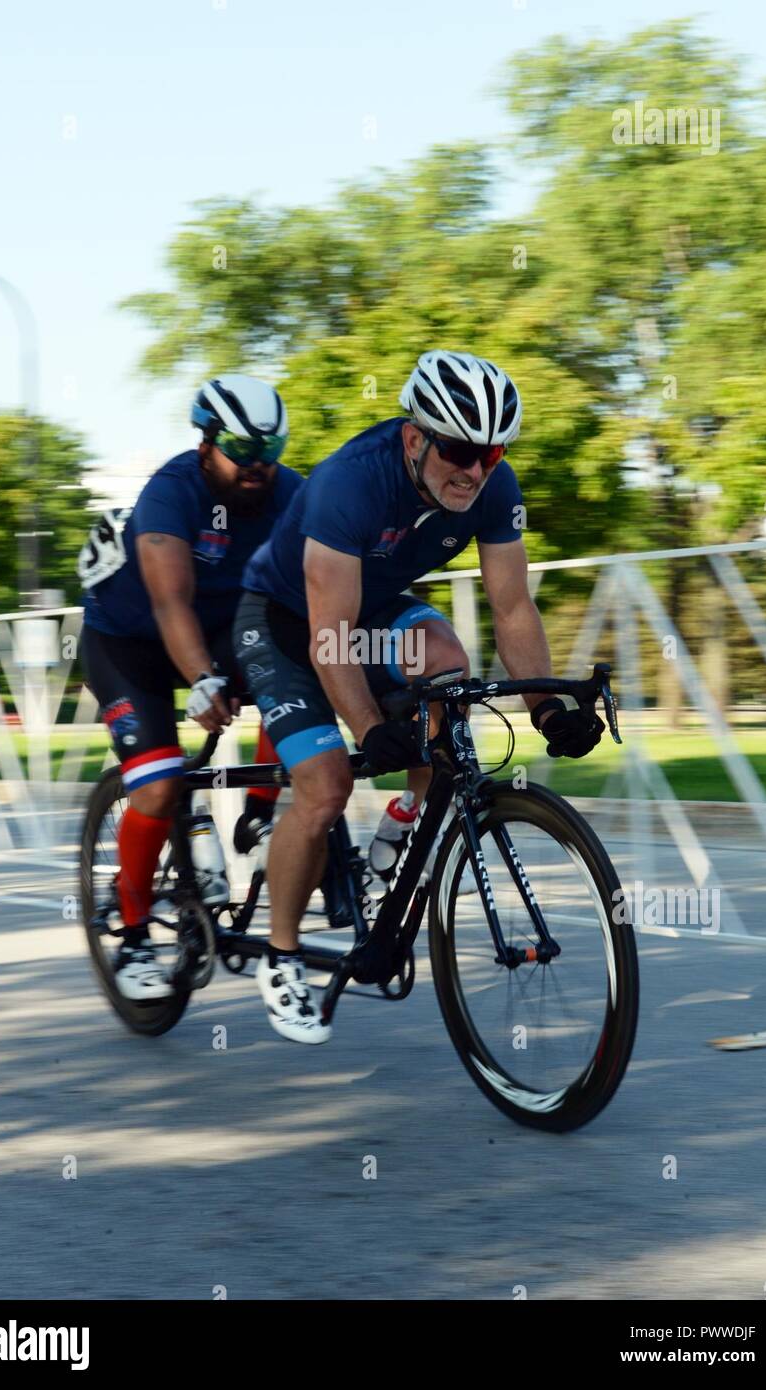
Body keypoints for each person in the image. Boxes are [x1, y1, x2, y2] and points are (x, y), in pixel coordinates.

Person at [234, 349, 604, 1044]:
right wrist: (371, 729)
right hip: (286, 624)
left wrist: (547, 710)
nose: (475, 469)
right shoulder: (350, 484)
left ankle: (402, 821)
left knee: (448, 672)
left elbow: (514, 608)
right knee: (324, 784)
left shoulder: (492, 485)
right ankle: (281, 958)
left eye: (491, 453)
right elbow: (328, 638)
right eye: (460, 450)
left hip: (369, 612)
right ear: (415, 438)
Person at [80, 374, 303, 1000]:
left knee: (300, 676)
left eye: (273, 447)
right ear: (205, 439)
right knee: (157, 786)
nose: (259, 462)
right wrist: (203, 681)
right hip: (132, 642)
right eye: (241, 446)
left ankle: (255, 818)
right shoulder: (168, 495)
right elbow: (171, 604)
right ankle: (131, 937)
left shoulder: (291, 493)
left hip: (226, 628)